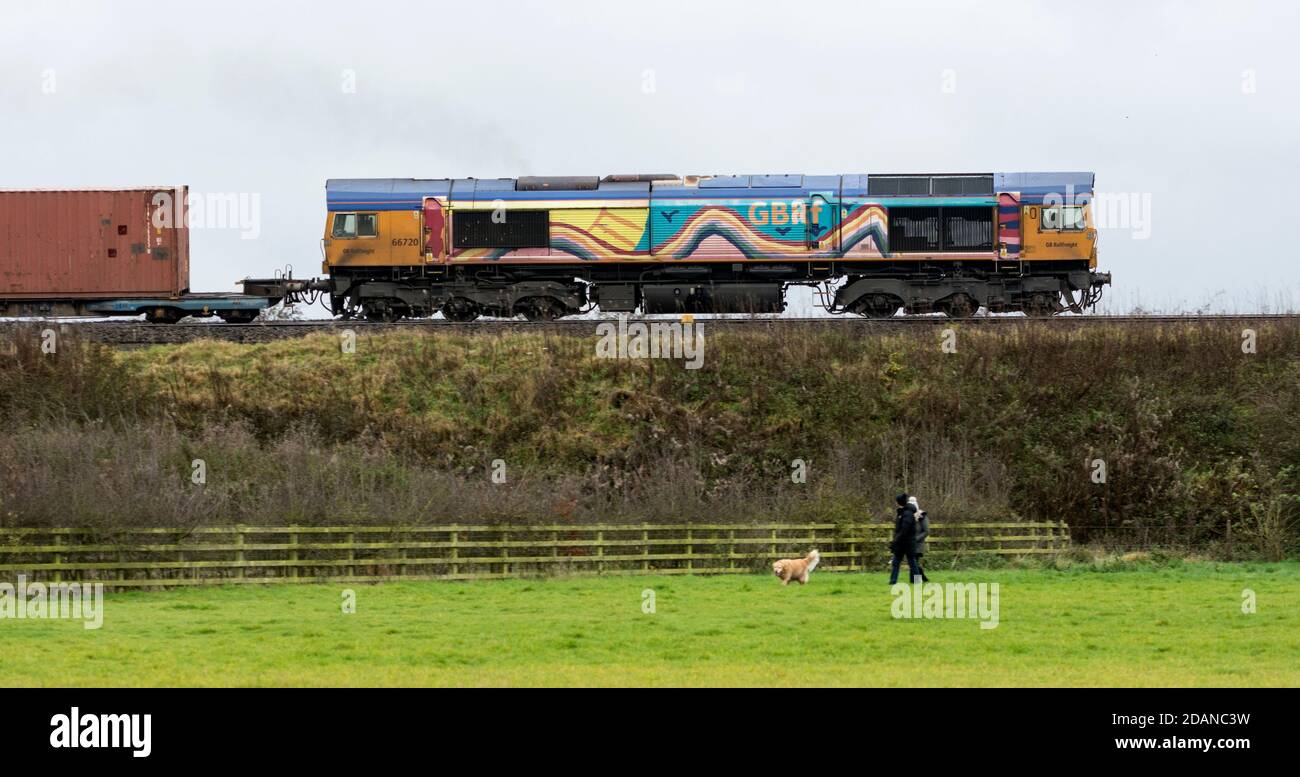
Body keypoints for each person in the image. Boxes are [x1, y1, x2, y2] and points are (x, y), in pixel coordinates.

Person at [888, 492, 921, 585]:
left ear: (898, 502)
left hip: (907, 543)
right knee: (896, 562)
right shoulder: (902, 512)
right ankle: (892, 581)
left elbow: (904, 529)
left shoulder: (907, 513)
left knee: (912, 563)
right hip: (902, 542)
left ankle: (918, 581)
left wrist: (896, 540)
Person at [909, 496, 931, 583]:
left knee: (914, 562)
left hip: (918, 544)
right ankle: (920, 579)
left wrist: (916, 539)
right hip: (909, 543)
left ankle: (916, 580)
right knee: (913, 562)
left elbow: (926, 531)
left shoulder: (922, 516)